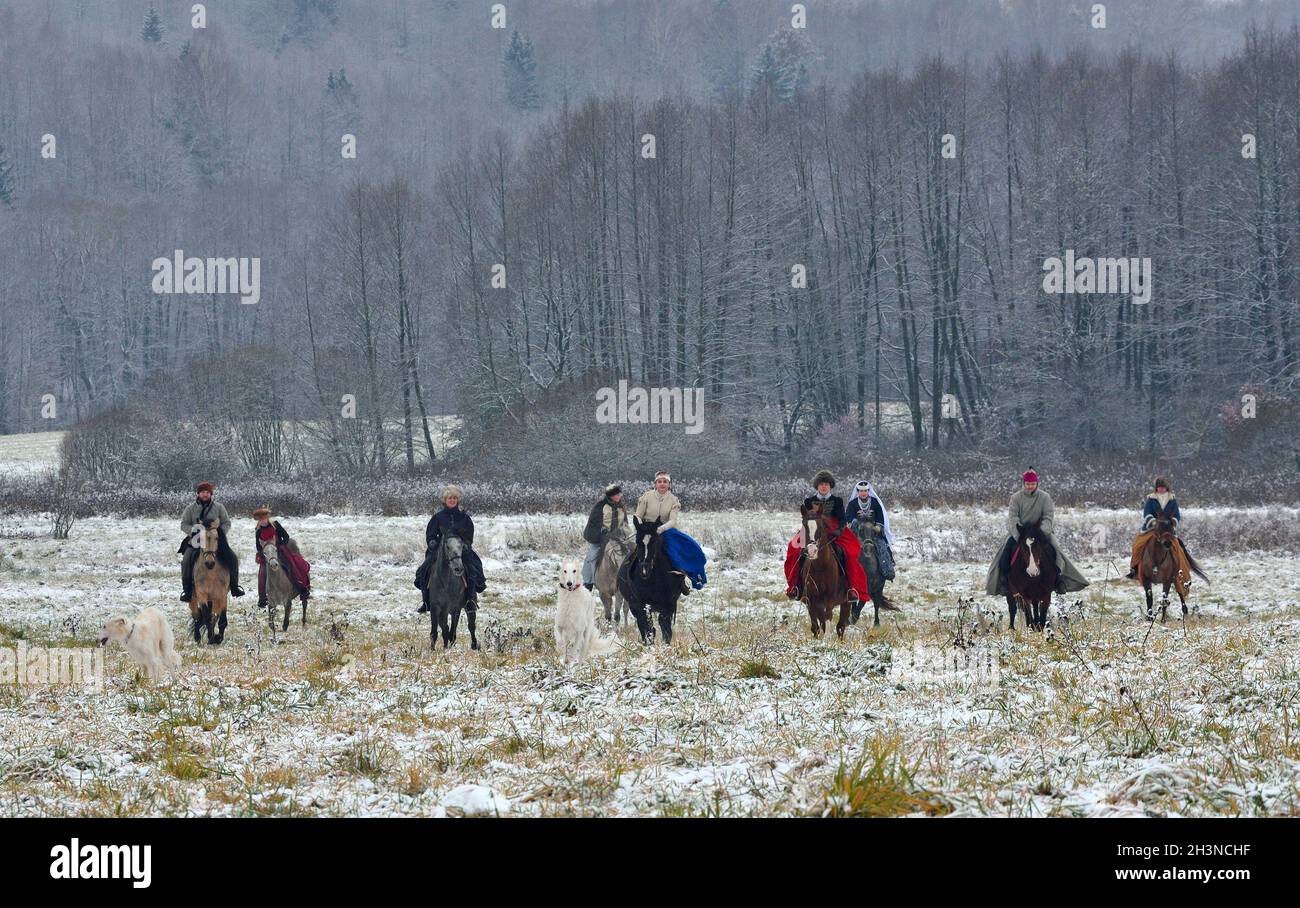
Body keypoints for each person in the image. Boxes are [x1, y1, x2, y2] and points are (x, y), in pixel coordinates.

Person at [985, 468, 1089, 596]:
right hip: (1020, 533)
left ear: (1037, 483)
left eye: (1033, 484)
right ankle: (1003, 581)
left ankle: (1059, 579)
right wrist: (1020, 536)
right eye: (1028, 484)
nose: (1030, 486)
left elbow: (1048, 517)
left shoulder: (1045, 497)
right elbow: (1012, 518)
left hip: (1041, 533)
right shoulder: (1016, 498)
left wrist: (1041, 534)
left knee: (1056, 551)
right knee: (1004, 554)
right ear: (1024, 484)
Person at [783, 470, 869, 603]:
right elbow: (806, 519)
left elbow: (842, 520)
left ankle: (850, 588)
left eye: (827, 484)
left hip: (834, 532)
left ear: (830, 486)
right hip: (811, 530)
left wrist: (838, 532)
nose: (824, 487)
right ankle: (796, 586)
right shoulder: (809, 501)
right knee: (794, 550)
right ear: (817, 486)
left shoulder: (837, 501)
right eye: (821, 484)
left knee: (848, 553)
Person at [632, 471, 707, 594]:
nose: (662, 484)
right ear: (655, 484)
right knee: (635, 551)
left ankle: (683, 578)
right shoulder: (646, 497)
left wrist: (660, 529)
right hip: (646, 529)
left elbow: (672, 521)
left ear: (669, 484)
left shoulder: (673, 500)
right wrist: (640, 528)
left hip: (665, 530)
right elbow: (638, 515)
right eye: (659, 481)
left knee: (687, 547)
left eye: (665, 482)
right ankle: (625, 577)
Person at [414, 485, 485, 613]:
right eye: (449, 498)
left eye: (454, 498)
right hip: (440, 552)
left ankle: (470, 600)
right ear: (444, 500)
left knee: (474, 569)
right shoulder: (437, 517)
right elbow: (430, 534)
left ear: (458, 500)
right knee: (423, 570)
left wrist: (465, 545)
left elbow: (469, 536)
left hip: (461, 552)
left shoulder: (465, 518)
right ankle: (426, 601)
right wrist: (432, 542)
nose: (452, 500)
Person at [178, 481, 244, 601]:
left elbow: (226, 522)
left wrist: (219, 533)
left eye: (208, 492)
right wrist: (193, 530)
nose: (205, 494)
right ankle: (187, 591)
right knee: (186, 560)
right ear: (198, 494)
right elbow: (183, 524)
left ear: (211, 494)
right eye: (203, 492)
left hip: (215, 541)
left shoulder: (219, 507)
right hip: (197, 540)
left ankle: (234, 587)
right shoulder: (190, 508)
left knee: (233, 558)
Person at [1126, 477, 1195, 580]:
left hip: (1167, 530)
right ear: (1156, 488)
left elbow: (1176, 515)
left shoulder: (1172, 500)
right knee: (1137, 544)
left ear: (1167, 488)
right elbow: (1147, 513)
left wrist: (1172, 522)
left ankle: (1181, 570)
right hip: (1151, 529)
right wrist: (1153, 522)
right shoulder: (1151, 499)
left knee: (1178, 548)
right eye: (1159, 487)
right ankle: (1134, 569)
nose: (1160, 489)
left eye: (1162, 487)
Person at [252, 506, 311, 609]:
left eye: (263, 519)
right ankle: (262, 598)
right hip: (267, 555)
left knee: (292, 565)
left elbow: (286, 536)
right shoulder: (258, 531)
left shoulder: (275, 525)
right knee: (262, 573)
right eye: (260, 520)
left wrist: (280, 546)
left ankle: (301, 588)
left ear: (267, 518)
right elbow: (258, 546)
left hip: (280, 552)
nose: (262, 521)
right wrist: (264, 551)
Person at [582, 484, 627, 591]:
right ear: (610, 495)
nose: (618, 496)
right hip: (601, 539)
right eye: (615, 494)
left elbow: (625, 524)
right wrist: (603, 535)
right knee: (591, 558)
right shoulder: (600, 507)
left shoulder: (622, 508)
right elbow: (594, 524)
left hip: (618, 539)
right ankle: (588, 582)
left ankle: (628, 581)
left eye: (619, 494)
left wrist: (625, 535)